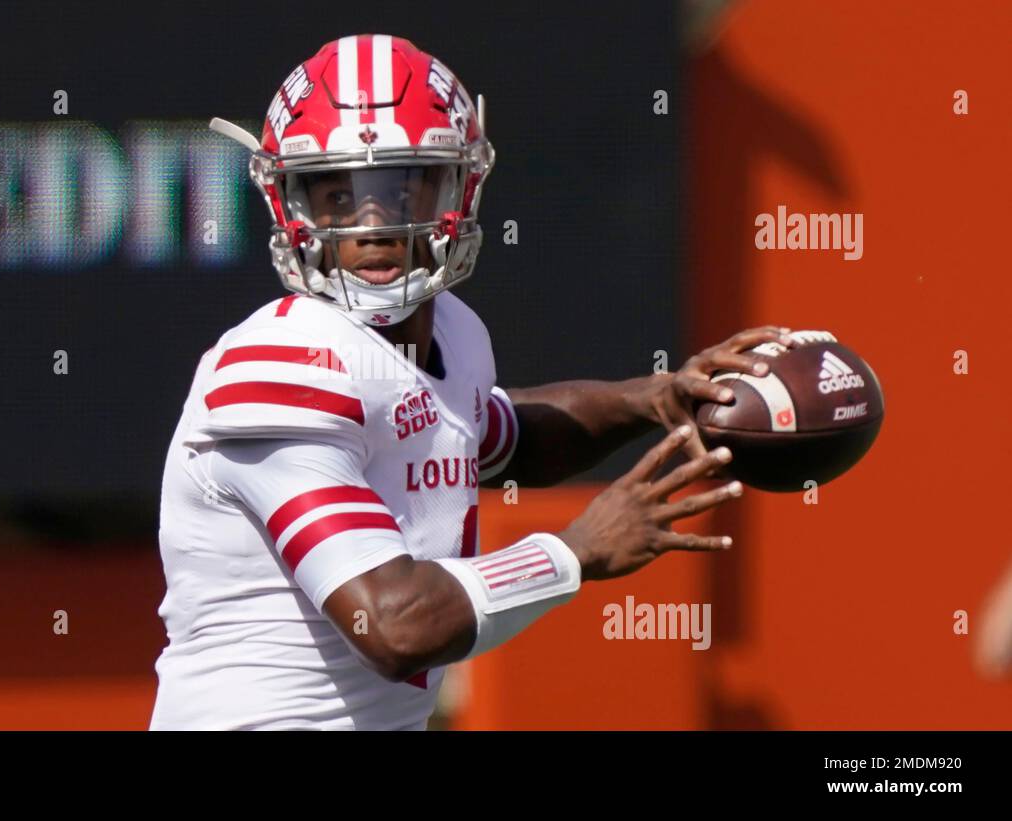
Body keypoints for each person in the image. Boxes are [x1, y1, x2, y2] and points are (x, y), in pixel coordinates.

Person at [150, 34, 791, 729]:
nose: (372, 227)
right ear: (290, 204)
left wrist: (655, 398)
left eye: (400, 189)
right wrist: (575, 550)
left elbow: (494, 433)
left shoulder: (450, 332)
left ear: (461, 186)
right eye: (337, 194)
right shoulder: (278, 362)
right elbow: (393, 624)